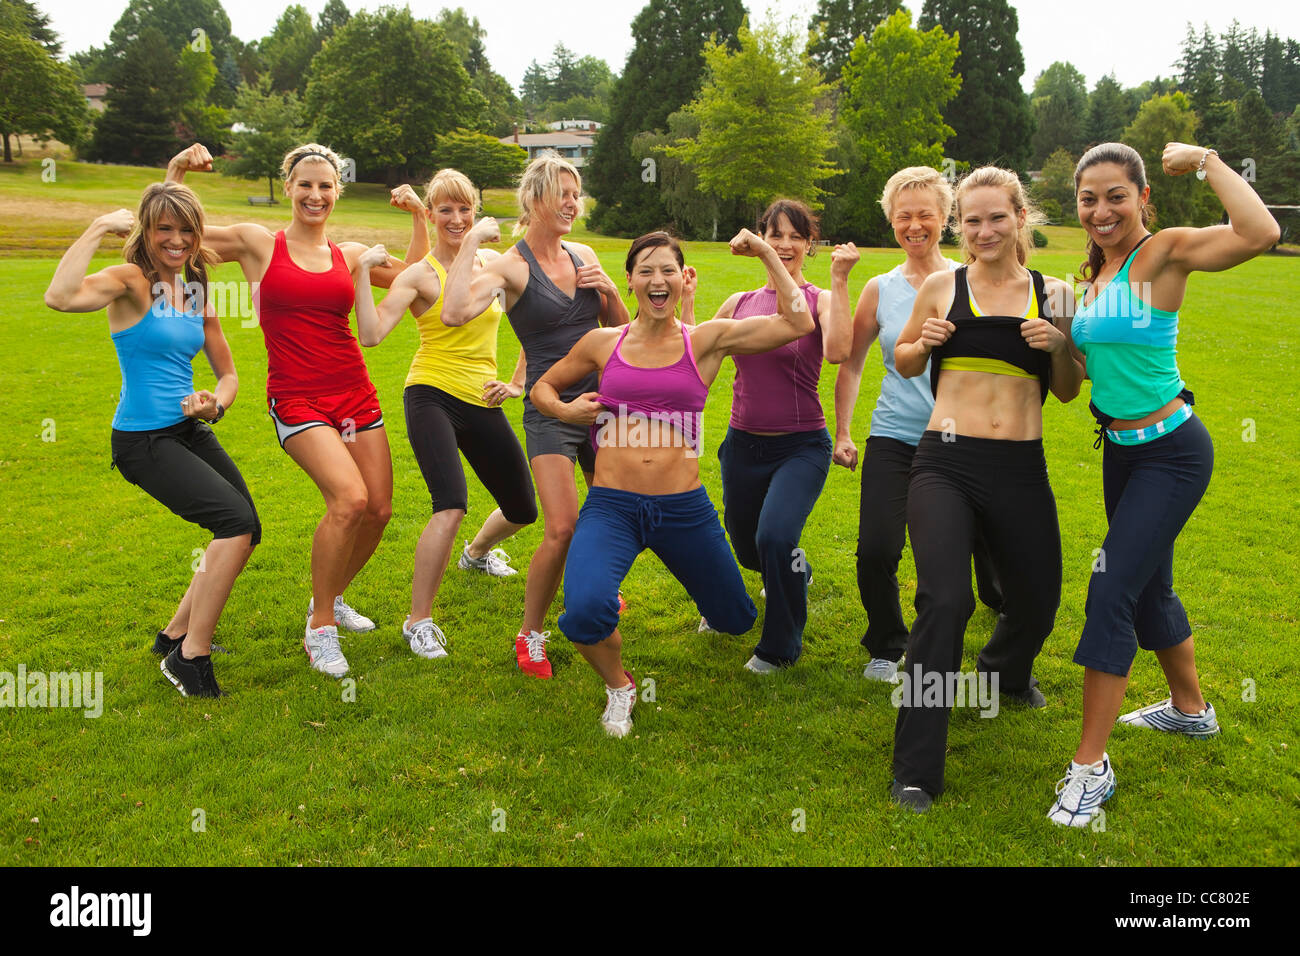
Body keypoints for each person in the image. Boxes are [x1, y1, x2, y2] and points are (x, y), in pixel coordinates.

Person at [1046, 142, 1279, 827]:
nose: (1101, 209)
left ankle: (1090, 768)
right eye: (1088, 197)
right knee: (1151, 588)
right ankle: (1191, 711)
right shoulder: (1093, 275)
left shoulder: (1165, 252)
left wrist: (1206, 161)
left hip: (1173, 452)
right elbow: (1079, 382)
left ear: (1144, 198)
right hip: (1121, 452)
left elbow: (1261, 233)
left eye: (1116, 195)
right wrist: (1060, 337)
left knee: (1110, 587)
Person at [531, 229, 837, 736]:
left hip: (683, 509)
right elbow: (543, 385)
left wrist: (765, 251)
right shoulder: (602, 343)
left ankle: (721, 600)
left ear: (682, 278)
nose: (657, 280)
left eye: (667, 270)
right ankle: (619, 687)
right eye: (645, 270)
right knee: (584, 612)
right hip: (613, 507)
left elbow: (798, 321)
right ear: (628, 281)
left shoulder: (708, 338)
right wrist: (564, 409)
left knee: (737, 618)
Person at [165, 142, 428, 678]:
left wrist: (420, 214)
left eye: (325, 185)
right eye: (305, 184)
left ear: (337, 191)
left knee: (378, 510)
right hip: (297, 397)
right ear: (288, 187)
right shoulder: (259, 243)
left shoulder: (349, 254)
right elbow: (176, 232)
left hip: (354, 391)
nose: (315, 194)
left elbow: (417, 276)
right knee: (349, 499)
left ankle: (325, 598)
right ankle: (322, 627)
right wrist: (177, 171)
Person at [890, 166, 1082, 812]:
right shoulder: (944, 286)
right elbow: (905, 359)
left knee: (1038, 600)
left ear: (1020, 218)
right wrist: (924, 341)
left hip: (1022, 465)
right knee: (944, 601)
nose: (984, 230)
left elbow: (1065, 388)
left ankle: (1002, 675)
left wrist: (1059, 345)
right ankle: (915, 769)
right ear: (959, 226)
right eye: (971, 220)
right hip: (945, 461)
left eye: (997, 217)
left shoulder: (1054, 294)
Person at [44, 182, 258, 698]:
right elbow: (59, 297)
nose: (177, 239)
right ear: (146, 230)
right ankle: (192, 658)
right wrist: (96, 228)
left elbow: (227, 373)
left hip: (189, 429)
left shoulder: (195, 291)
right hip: (142, 439)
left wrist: (217, 404)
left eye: (187, 229)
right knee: (233, 524)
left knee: (245, 528)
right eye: (165, 228)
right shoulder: (130, 281)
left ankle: (175, 635)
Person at [441, 154, 628, 679]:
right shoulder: (509, 266)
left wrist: (610, 290)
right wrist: (473, 243)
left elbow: (622, 330)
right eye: (561, 193)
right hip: (550, 411)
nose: (572, 203)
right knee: (563, 526)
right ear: (534, 200)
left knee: (610, 516)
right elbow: (454, 312)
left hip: (603, 405)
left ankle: (595, 595)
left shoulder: (585, 253)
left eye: (576, 194)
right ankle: (531, 633)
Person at [352, 168, 537, 661]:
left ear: (473, 211)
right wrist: (359, 276)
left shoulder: (494, 264)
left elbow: (532, 323)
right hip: (431, 392)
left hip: (482, 398)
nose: (456, 219)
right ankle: (419, 621)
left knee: (524, 508)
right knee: (450, 503)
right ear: (430, 215)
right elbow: (371, 334)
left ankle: (475, 555)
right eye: (446, 210)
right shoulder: (419, 275)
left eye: (465, 209)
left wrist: (518, 380)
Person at [833, 168, 1003, 683]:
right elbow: (853, 362)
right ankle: (887, 644)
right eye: (903, 216)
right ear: (890, 220)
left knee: (979, 547)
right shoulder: (879, 290)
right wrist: (842, 432)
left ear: (944, 217)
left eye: (925, 214)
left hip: (963, 439)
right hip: (895, 435)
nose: (914, 225)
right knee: (876, 549)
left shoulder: (968, 280)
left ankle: (997, 602)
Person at [705, 199, 852, 673]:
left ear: (810, 244)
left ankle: (780, 646)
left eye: (795, 236)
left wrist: (839, 279)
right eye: (775, 236)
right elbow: (694, 350)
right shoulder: (740, 304)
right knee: (749, 548)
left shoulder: (819, 302)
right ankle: (797, 569)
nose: (785, 245)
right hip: (743, 444)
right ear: (762, 237)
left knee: (775, 536)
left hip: (801, 446)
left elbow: (838, 351)